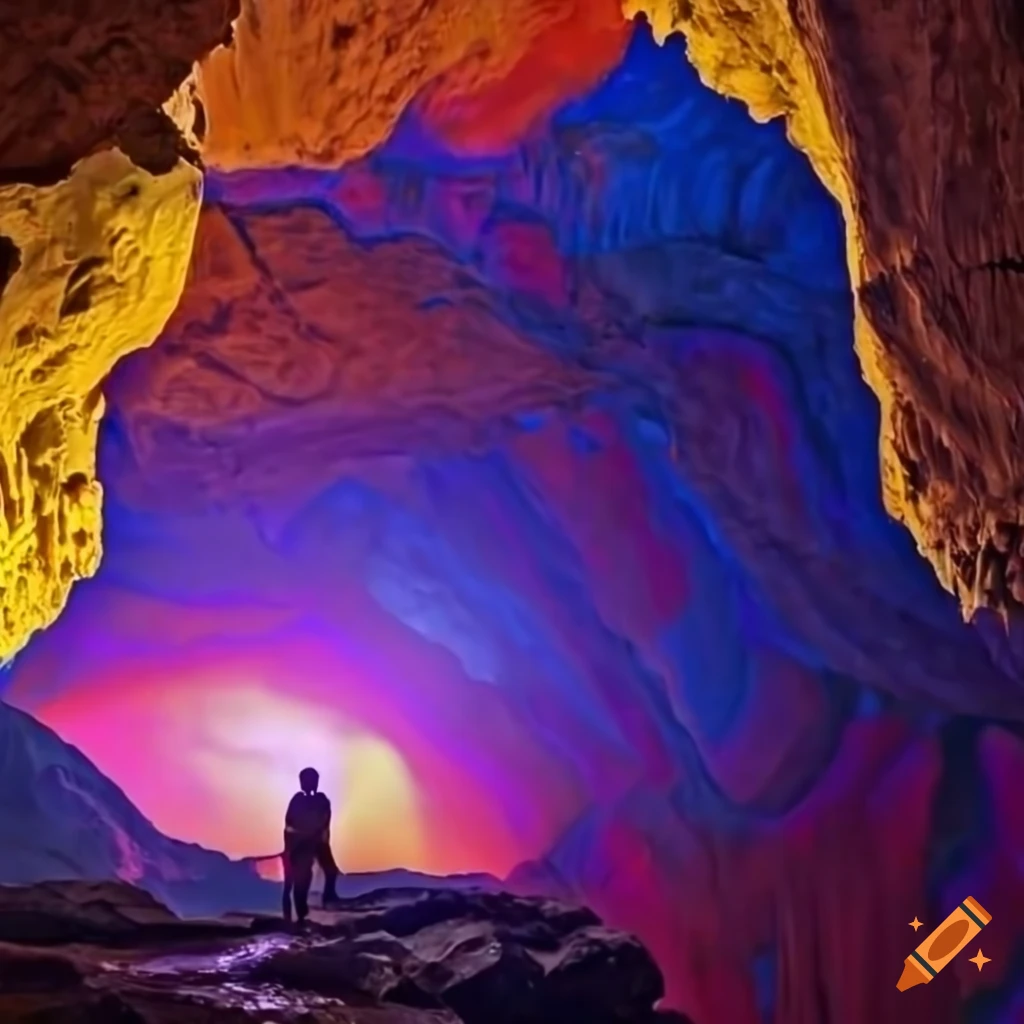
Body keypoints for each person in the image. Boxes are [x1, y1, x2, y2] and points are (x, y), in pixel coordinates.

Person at [281, 767, 341, 922]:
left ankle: (328, 898)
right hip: (301, 844)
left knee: (331, 870)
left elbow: (326, 820)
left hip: (317, 841)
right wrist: (291, 846)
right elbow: (289, 823)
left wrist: (322, 837)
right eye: (308, 781)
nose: (311, 783)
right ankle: (301, 912)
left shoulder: (321, 800)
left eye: (313, 780)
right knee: (302, 878)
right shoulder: (297, 800)